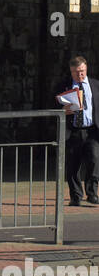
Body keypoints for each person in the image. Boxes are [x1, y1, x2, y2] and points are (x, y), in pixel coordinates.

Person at [56, 54, 99, 206]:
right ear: (71, 71)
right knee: (73, 165)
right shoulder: (64, 86)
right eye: (76, 72)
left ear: (86, 69)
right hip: (73, 131)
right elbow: (53, 106)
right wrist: (63, 110)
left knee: (93, 161)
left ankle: (92, 193)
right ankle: (75, 196)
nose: (79, 74)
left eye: (82, 71)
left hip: (92, 130)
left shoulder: (95, 85)